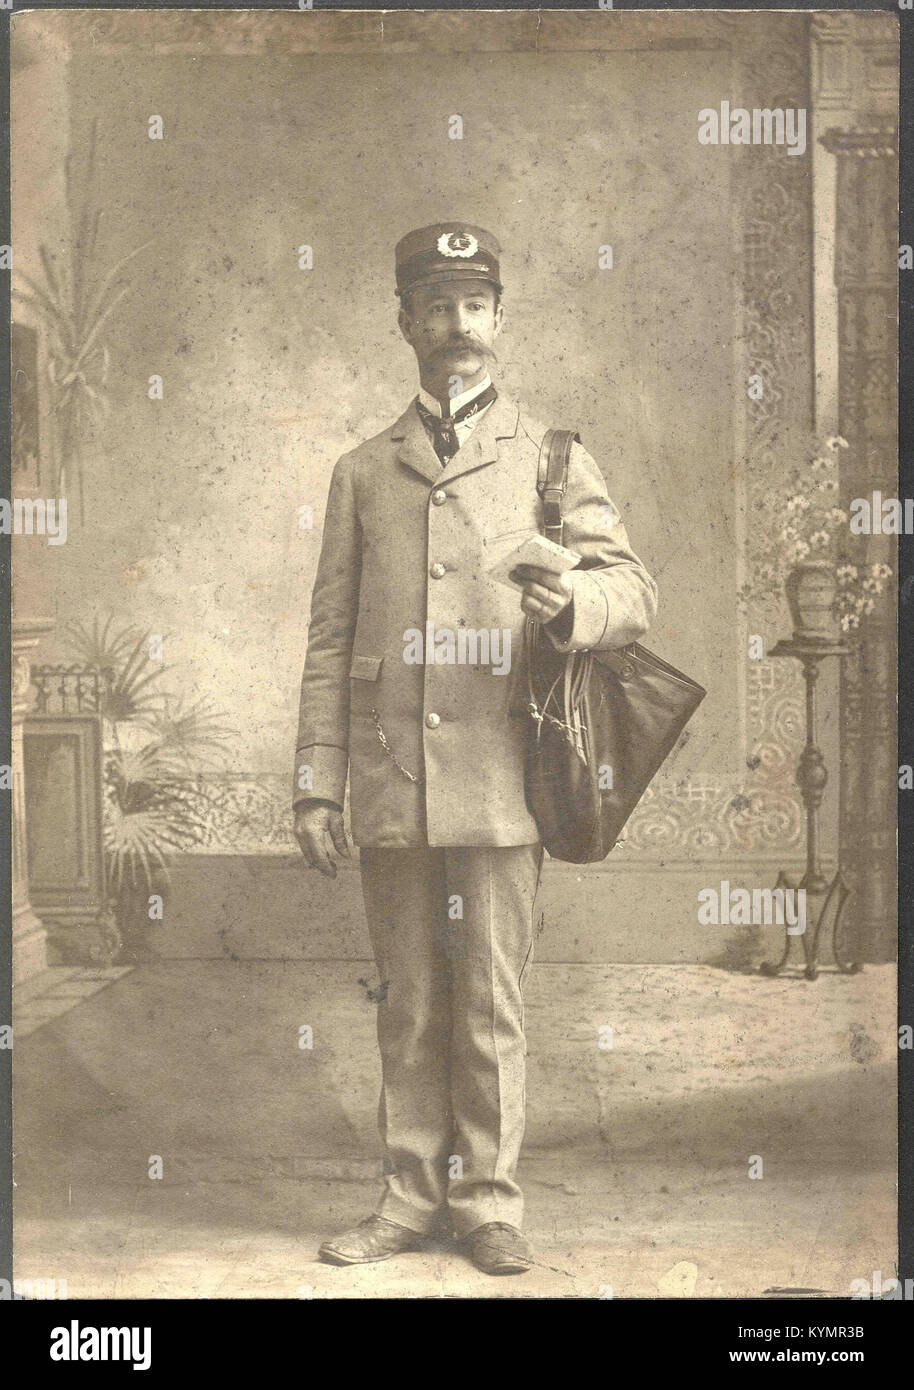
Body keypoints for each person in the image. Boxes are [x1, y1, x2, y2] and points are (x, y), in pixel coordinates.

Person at [292, 222, 658, 1274]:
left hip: (504, 773)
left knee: (491, 1001)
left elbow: (629, 591)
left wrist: (567, 603)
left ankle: (490, 1199)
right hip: (393, 777)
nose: (456, 327)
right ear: (404, 322)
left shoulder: (550, 456)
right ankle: (407, 1197)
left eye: (473, 306)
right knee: (409, 1003)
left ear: (498, 320)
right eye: (435, 307)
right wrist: (316, 783)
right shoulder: (361, 471)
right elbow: (327, 640)